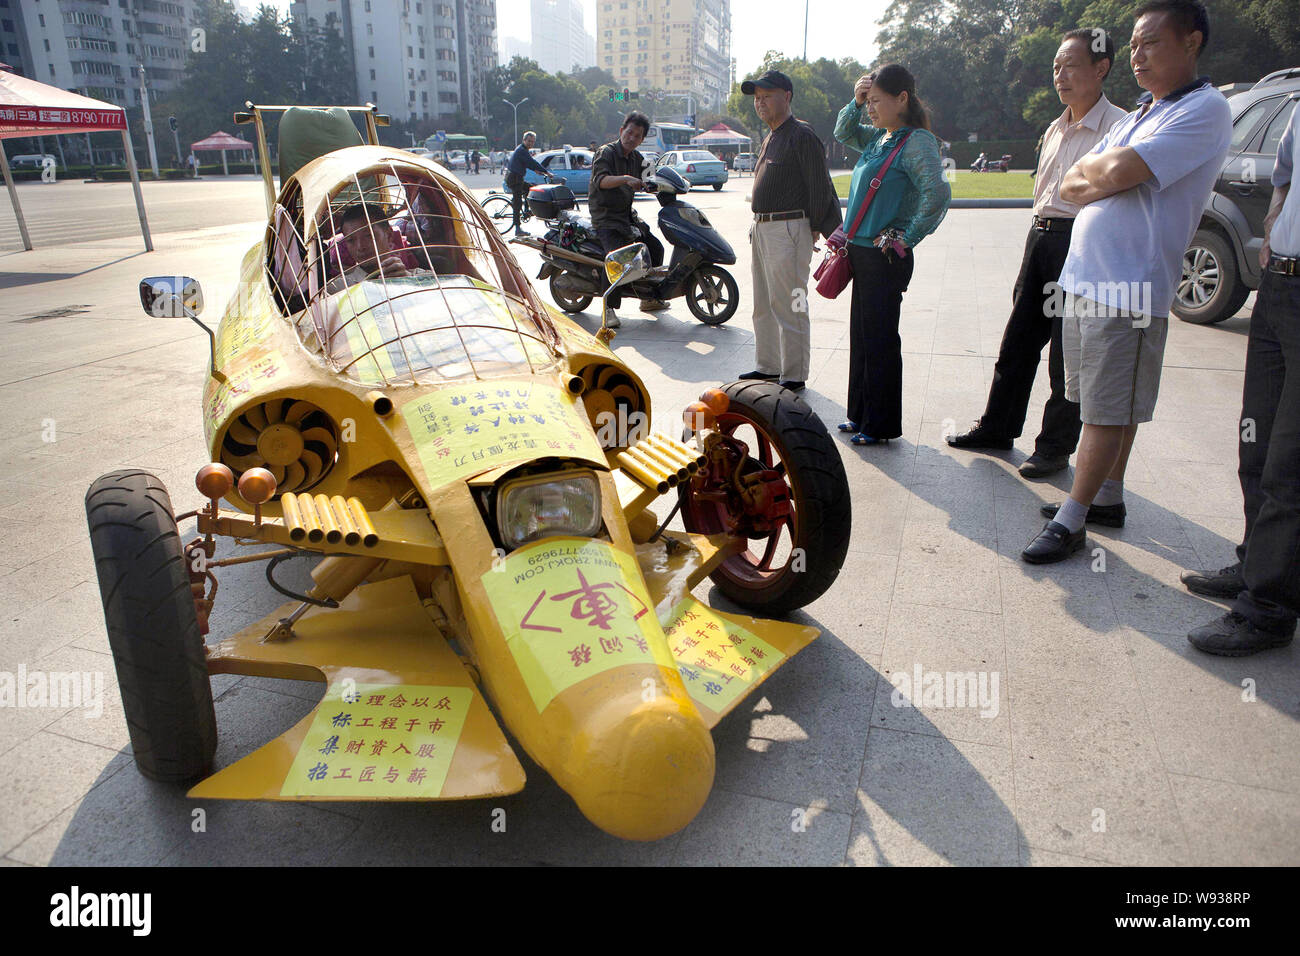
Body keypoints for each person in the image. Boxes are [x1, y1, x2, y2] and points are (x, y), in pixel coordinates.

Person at [1022, 0, 1232, 563]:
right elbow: (1075, 180)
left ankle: (1073, 519)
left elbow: (1110, 172)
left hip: (1131, 288)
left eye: (1151, 43)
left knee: (1107, 409)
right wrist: (1099, 176)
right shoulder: (1143, 112)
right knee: (1093, 397)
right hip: (1086, 277)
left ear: (1190, 42)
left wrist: (1099, 176)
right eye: (1133, 46)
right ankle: (1107, 495)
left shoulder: (1204, 109)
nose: (1137, 55)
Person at [948, 29, 1128, 477]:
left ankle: (1053, 447)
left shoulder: (1119, 127)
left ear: (1101, 68)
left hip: (1082, 242)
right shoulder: (1055, 126)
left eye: (1070, 65)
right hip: (1041, 238)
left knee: (1067, 354)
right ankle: (997, 427)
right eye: (1055, 68)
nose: (1060, 76)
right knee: (1019, 341)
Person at [1183, 102, 1300, 655]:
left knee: (1289, 465)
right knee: (1255, 441)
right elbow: (1283, 175)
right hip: (1280, 284)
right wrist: (1276, 228)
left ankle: (1268, 608)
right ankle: (1257, 564)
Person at [833, 65, 950, 444]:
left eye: (876, 101)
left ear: (902, 99)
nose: (870, 109)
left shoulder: (916, 141)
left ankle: (879, 424)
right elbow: (842, 132)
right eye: (868, 102)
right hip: (862, 254)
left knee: (881, 341)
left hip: (885, 256)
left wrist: (906, 237)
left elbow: (937, 194)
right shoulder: (880, 139)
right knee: (862, 337)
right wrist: (854, 100)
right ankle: (860, 414)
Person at [741, 69, 842, 391]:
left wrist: (815, 228)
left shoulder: (801, 134)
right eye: (757, 98)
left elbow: (820, 185)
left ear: (787, 96)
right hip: (763, 229)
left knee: (791, 304)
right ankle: (768, 366)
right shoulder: (771, 136)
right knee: (763, 304)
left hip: (789, 229)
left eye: (767, 96)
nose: (760, 103)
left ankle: (794, 373)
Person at [589, 110, 667, 328]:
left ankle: (648, 298)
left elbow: (651, 176)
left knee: (655, 248)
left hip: (626, 216)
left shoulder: (637, 158)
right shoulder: (606, 152)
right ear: (622, 130)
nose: (631, 138)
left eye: (637, 136)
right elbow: (601, 181)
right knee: (617, 259)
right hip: (605, 217)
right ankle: (608, 308)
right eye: (629, 132)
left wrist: (666, 183)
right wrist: (624, 179)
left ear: (642, 140)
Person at [326, 203, 428, 293]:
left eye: (369, 236)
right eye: (351, 240)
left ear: (389, 235)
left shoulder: (421, 278)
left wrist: (408, 282)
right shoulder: (338, 289)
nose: (360, 247)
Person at [505, 131, 550, 236]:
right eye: (529, 141)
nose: (531, 143)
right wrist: (546, 171)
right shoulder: (522, 150)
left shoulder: (522, 149)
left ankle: (526, 210)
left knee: (530, 189)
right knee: (517, 204)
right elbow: (531, 162)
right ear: (524, 140)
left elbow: (526, 162)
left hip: (515, 177)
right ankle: (517, 229)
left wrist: (535, 170)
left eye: (533, 142)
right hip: (515, 179)